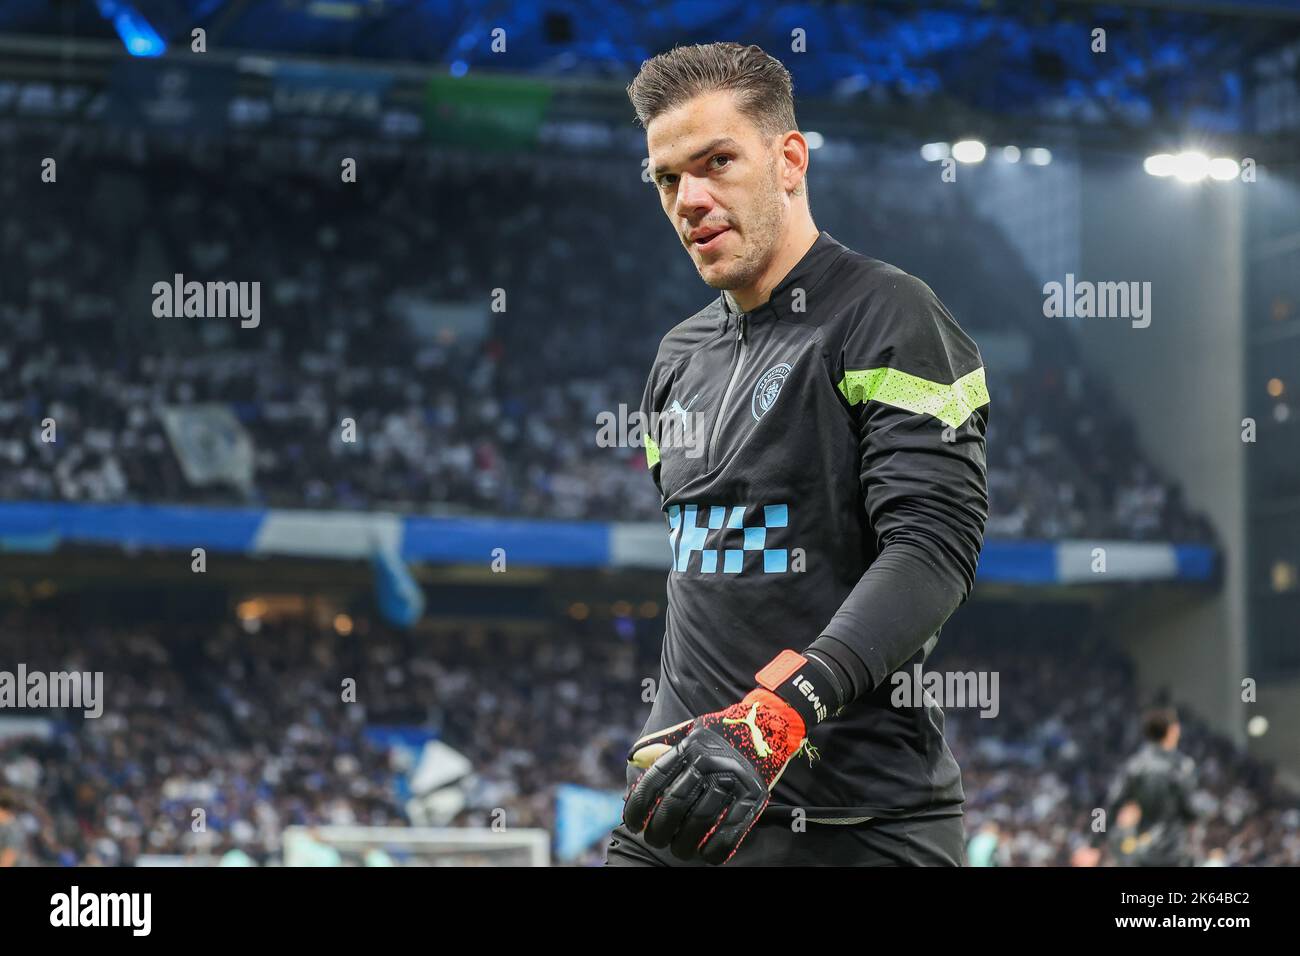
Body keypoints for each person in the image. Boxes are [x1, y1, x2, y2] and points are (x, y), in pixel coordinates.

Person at [605, 42, 989, 866]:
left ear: (788, 160)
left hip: (860, 827)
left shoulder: (890, 314)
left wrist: (776, 719)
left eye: (716, 162)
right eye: (668, 179)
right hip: (682, 818)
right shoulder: (677, 359)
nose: (690, 200)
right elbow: (703, 571)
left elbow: (933, 548)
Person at [1076, 707, 1199, 867]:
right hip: (1173, 852)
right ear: (1172, 731)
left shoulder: (1134, 767)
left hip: (1141, 852)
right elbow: (1189, 812)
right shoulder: (1183, 766)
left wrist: (1093, 844)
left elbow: (1109, 807)